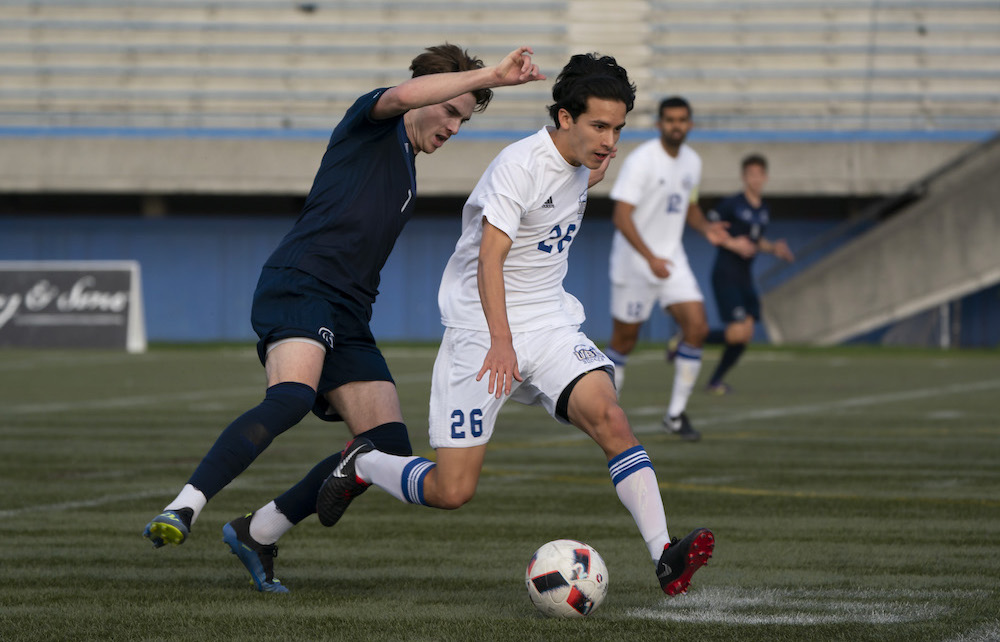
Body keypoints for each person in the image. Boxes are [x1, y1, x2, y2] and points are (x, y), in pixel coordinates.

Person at [141, 45, 546, 590]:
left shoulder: (408, 173)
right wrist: (494, 74)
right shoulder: (372, 123)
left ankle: (258, 530)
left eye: (464, 120)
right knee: (289, 398)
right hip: (301, 285)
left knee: (388, 450)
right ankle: (184, 506)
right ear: (430, 92)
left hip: (349, 313)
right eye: (451, 109)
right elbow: (401, 96)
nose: (454, 126)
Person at [316, 53, 714, 599]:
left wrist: (593, 167)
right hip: (483, 331)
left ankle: (665, 555)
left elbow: (581, 180)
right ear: (564, 118)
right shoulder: (517, 166)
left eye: (618, 128)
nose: (609, 142)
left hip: (548, 324)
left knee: (610, 417)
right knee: (452, 490)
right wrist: (501, 343)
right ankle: (366, 464)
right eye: (599, 126)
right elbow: (490, 259)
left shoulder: (586, 162)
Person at [601, 96, 742, 442]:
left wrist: (706, 229)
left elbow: (688, 206)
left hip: (672, 259)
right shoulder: (642, 161)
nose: (675, 125)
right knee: (624, 341)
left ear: (690, 124)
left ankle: (675, 416)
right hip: (635, 263)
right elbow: (621, 216)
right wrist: (649, 258)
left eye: (681, 120)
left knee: (697, 327)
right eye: (669, 120)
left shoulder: (692, 162)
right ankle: (604, 417)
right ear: (659, 124)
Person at [704, 153, 794, 394]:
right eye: (750, 174)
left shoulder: (763, 209)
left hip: (745, 276)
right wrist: (733, 244)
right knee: (736, 333)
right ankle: (691, 337)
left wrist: (774, 248)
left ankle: (715, 381)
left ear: (765, 177)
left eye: (759, 174)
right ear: (744, 177)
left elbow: (755, 241)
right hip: (726, 273)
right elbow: (711, 229)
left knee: (746, 334)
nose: (755, 179)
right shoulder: (732, 204)